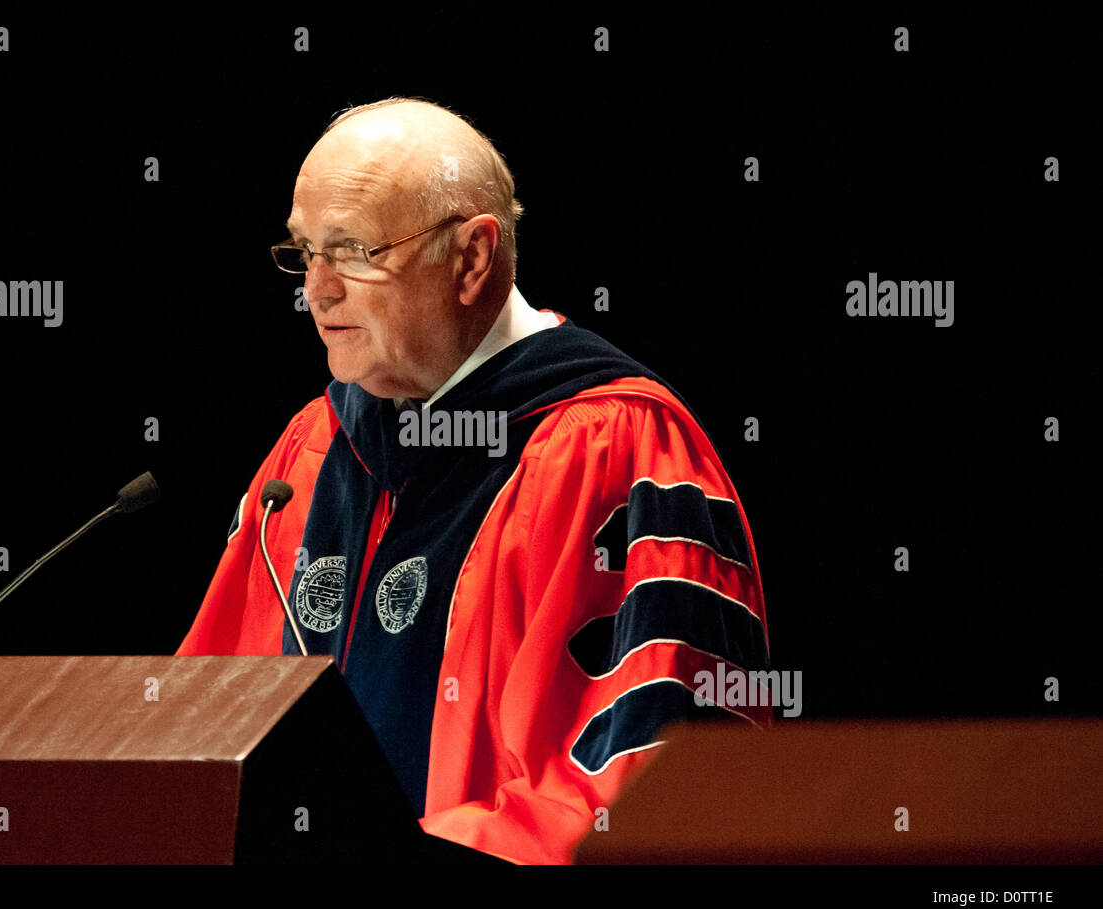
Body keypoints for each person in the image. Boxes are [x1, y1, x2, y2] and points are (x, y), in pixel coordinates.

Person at [176, 97, 771, 864]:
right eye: (304, 252)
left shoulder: (620, 449)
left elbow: (661, 773)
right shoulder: (313, 452)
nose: (316, 289)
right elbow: (204, 723)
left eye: (352, 250)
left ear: (472, 258)